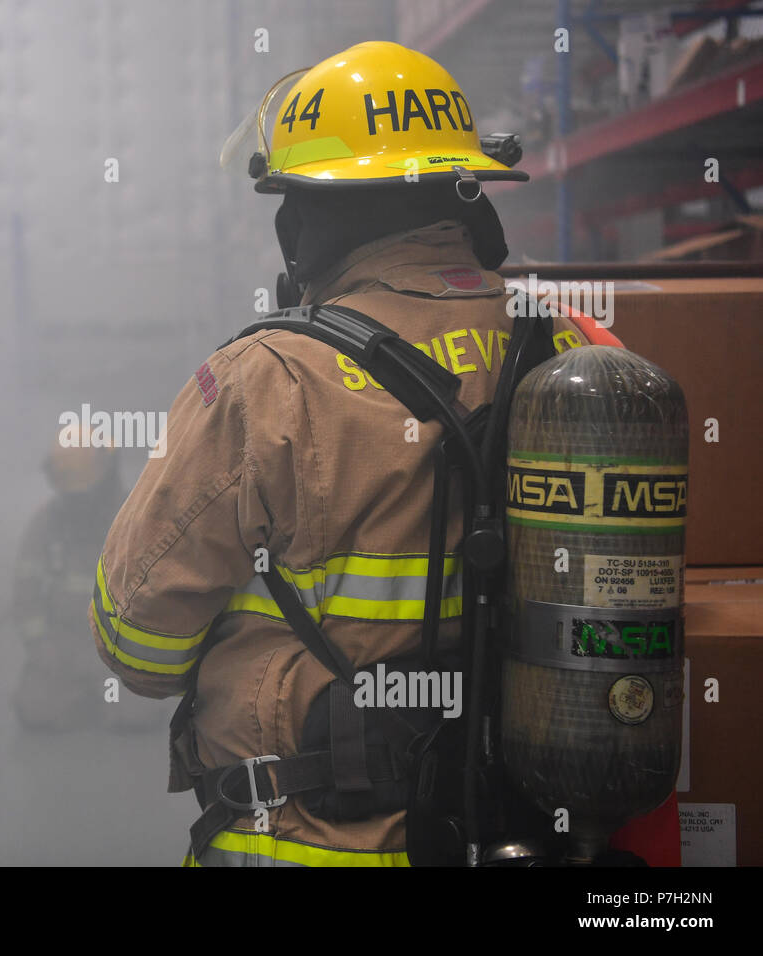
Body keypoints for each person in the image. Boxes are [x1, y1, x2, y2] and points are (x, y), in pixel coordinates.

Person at [88, 41, 623, 866]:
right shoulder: (574, 354)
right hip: (523, 833)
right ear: (468, 199)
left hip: (308, 842)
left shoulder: (266, 379)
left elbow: (137, 645)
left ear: (304, 220)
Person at [13, 433, 163, 733]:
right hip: (63, 645)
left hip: (120, 648)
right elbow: (25, 593)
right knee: (34, 712)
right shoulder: (45, 524)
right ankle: (79, 695)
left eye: (84, 493)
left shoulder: (138, 521)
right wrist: (41, 646)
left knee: (139, 719)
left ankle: (108, 696)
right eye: (71, 494)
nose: (77, 502)